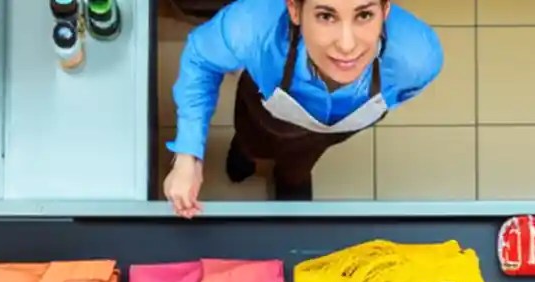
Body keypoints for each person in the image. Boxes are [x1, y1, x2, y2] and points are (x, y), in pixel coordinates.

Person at [163, 0, 443, 217]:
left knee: (302, 161)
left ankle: (291, 176)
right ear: (295, 10)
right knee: (250, 140)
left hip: (330, 133)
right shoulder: (253, 25)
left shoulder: (417, 59)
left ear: (385, 10)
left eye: (364, 15)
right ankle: (244, 153)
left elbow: (403, 92)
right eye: (325, 16)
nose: (347, 46)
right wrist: (188, 156)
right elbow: (201, 57)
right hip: (261, 116)